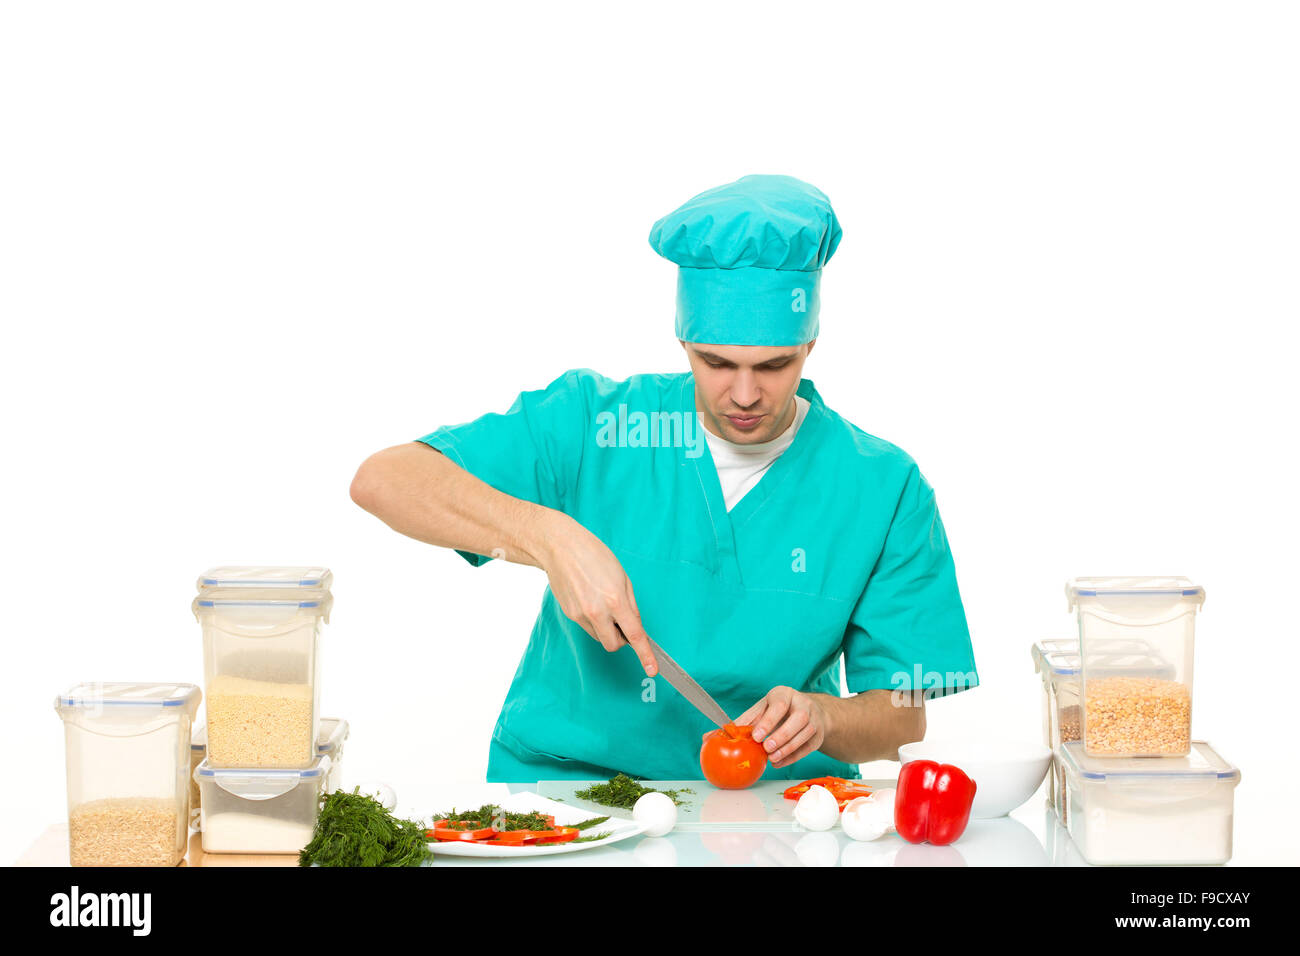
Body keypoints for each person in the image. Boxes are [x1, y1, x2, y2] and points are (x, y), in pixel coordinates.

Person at [350, 174, 978, 782]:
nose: (745, 393)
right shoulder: (597, 422)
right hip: (569, 793)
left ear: (810, 343)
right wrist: (548, 537)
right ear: (683, 339)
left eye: (775, 364)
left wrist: (825, 717)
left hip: (772, 807)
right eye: (717, 361)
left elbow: (901, 715)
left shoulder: (883, 487)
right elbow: (385, 480)